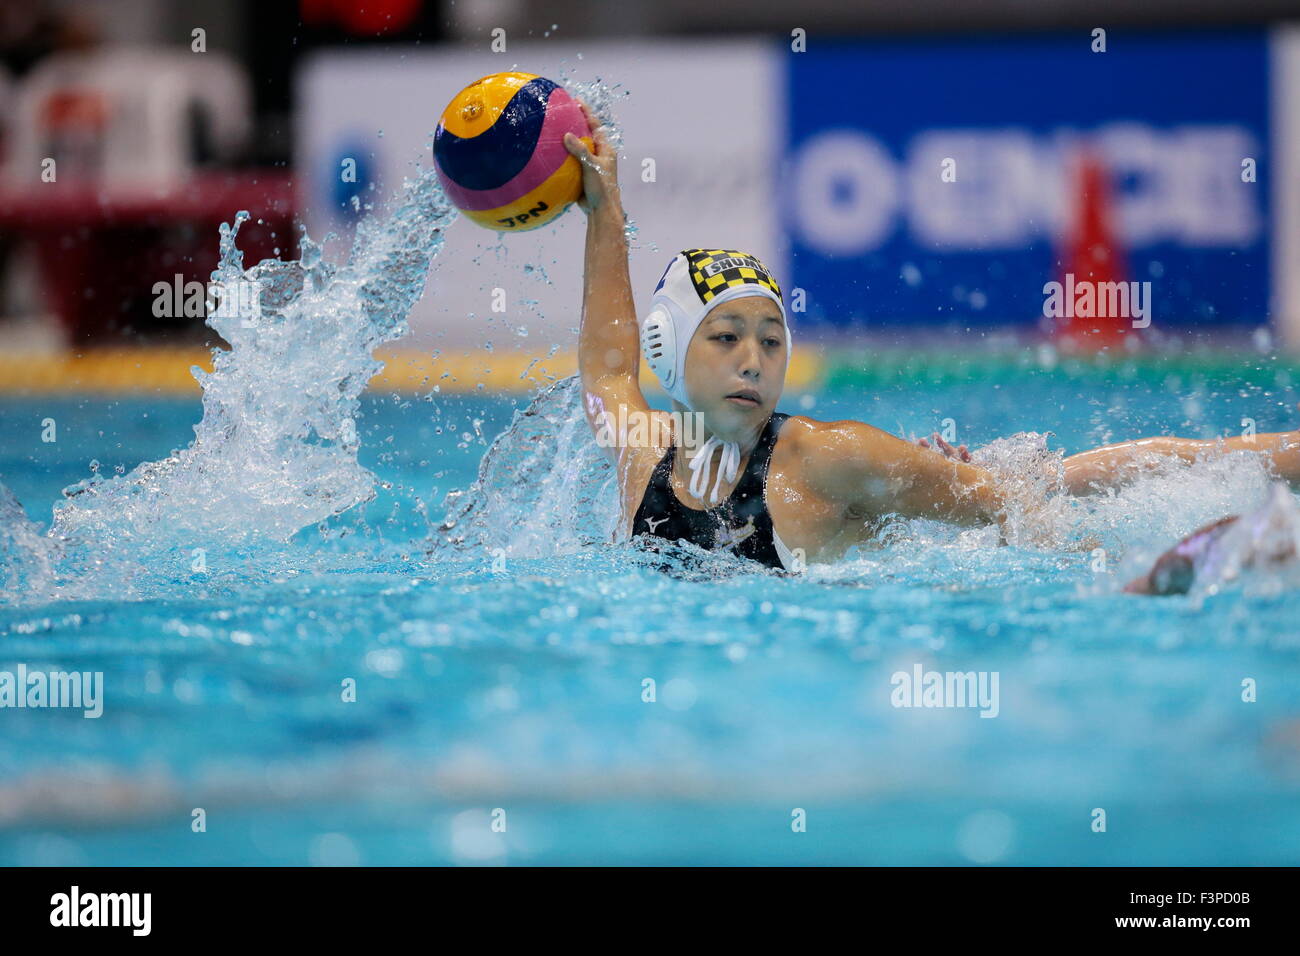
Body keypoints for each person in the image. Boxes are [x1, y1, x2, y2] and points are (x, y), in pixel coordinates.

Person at [561, 104, 1300, 572]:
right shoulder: (641, 447)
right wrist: (603, 209)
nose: (754, 359)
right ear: (670, 349)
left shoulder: (823, 456)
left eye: (772, 340)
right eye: (725, 337)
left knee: (1048, 483)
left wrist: (1095, 570)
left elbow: (1010, 510)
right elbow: (606, 369)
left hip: (929, 566)